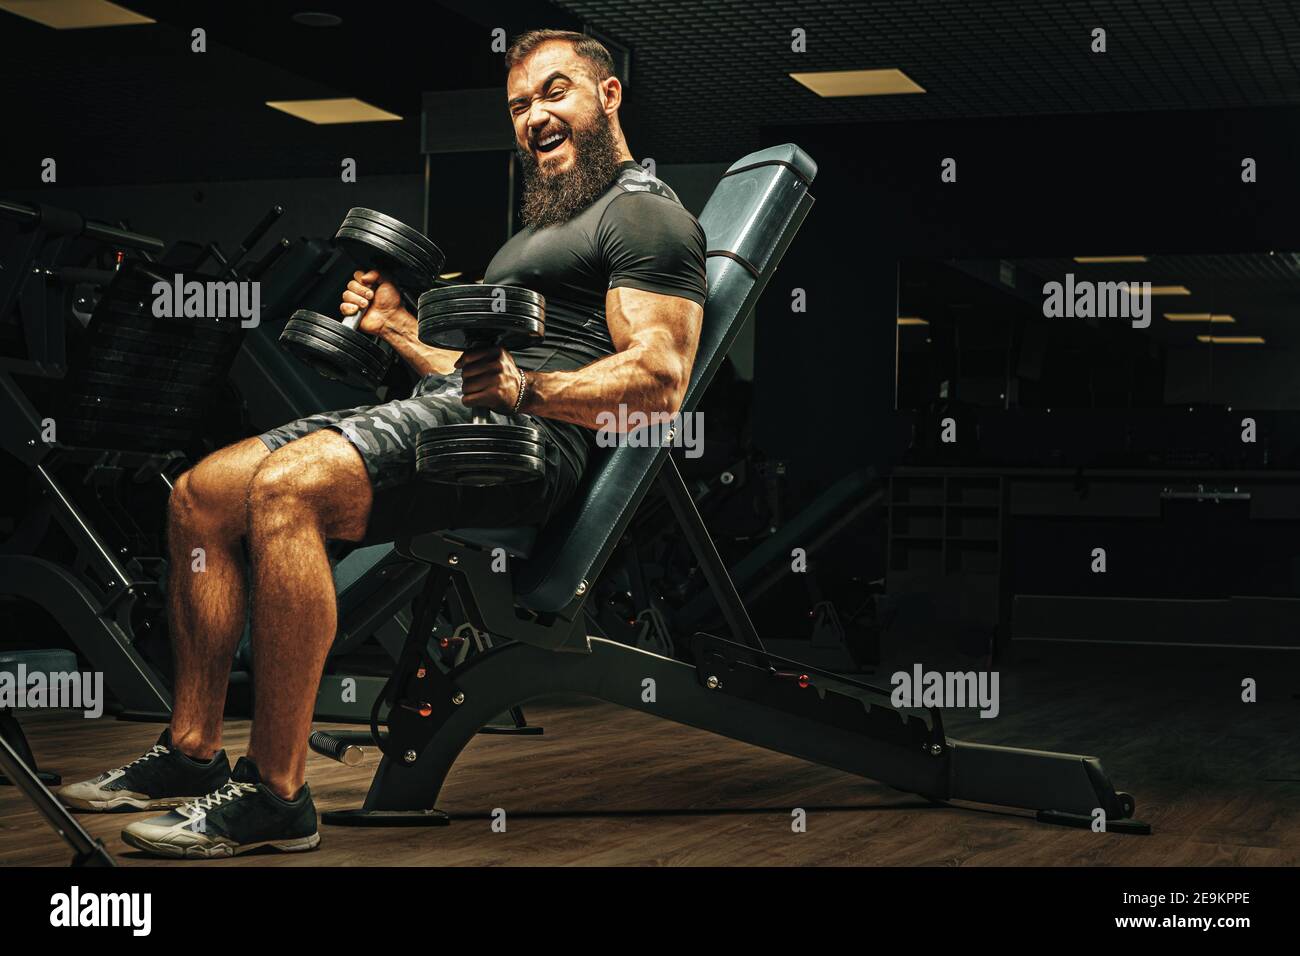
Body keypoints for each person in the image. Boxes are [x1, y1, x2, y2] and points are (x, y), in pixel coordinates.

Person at [58, 29, 707, 859]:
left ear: (608, 98)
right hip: (474, 415)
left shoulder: (644, 215)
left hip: (524, 448)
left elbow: (660, 383)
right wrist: (398, 327)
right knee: (200, 496)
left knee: (289, 489)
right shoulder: (545, 230)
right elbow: (475, 374)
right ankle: (191, 753)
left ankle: (277, 796)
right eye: (518, 105)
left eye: (554, 92)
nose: (533, 117)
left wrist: (532, 390)